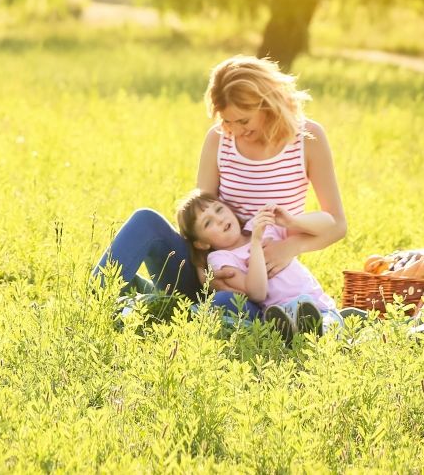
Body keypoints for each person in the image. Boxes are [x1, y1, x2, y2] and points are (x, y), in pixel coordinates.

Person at [94, 55, 347, 322]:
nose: (235, 131)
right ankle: (94, 305)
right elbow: (198, 218)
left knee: (226, 302)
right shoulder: (219, 140)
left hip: (260, 288)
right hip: (210, 270)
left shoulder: (308, 139)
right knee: (145, 220)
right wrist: (204, 270)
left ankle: (159, 303)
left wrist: (290, 247)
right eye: (227, 121)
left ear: (267, 104)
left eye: (244, 121)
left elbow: (337, 224)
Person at [176, 190, 343, 339]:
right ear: (201, 244)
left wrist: (292, 221)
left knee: (328, 323)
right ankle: (297, 333)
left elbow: (329, 224)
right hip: (281, 311)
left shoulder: (260, 225)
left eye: (219, 210)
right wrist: (255, 242)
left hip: (317, 302)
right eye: (208, 223)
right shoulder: (221, 258)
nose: (219, 219)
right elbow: (257, 293)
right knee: (289, 318)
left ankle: (321, 332)